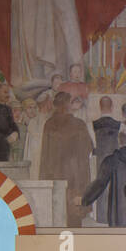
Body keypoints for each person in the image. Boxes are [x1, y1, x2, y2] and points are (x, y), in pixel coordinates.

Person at [38, 90, 92, 226]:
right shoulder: (79, 124)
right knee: (74, 217)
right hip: (75, 177)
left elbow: (44, 154)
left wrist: (43, 179)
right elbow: (88, 149)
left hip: (53, 174)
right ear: (68, 105)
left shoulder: (49, 124)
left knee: (56, 216)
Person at [78, 127, 126, 227]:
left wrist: (85, 199)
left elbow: (99, 184)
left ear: (118, 140)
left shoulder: (110, 160)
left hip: (117, 215)